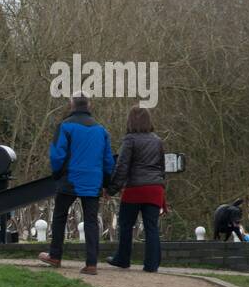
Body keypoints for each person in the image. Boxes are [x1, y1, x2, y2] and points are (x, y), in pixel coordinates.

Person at [38, 94, 115, 275]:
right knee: (91, 222)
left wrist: (57, 174)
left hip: (70, 179)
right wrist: (106, 184)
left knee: (59, 216)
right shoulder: (101, 130)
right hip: (93, 181)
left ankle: (55, 256)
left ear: (71, 105)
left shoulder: (65, 126)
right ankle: (91, 264)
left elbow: (57, 155)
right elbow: (108, 161)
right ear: (89, 105)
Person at [106, 106, 166, 272]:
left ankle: (123, 259)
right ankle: (152, 264)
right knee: (151, 227)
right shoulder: (157, 140)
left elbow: (122, 166)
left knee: (126, 224)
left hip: (135, 188)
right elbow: (162, 167)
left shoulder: (130, 140)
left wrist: (111, 189)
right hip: (155, 188)